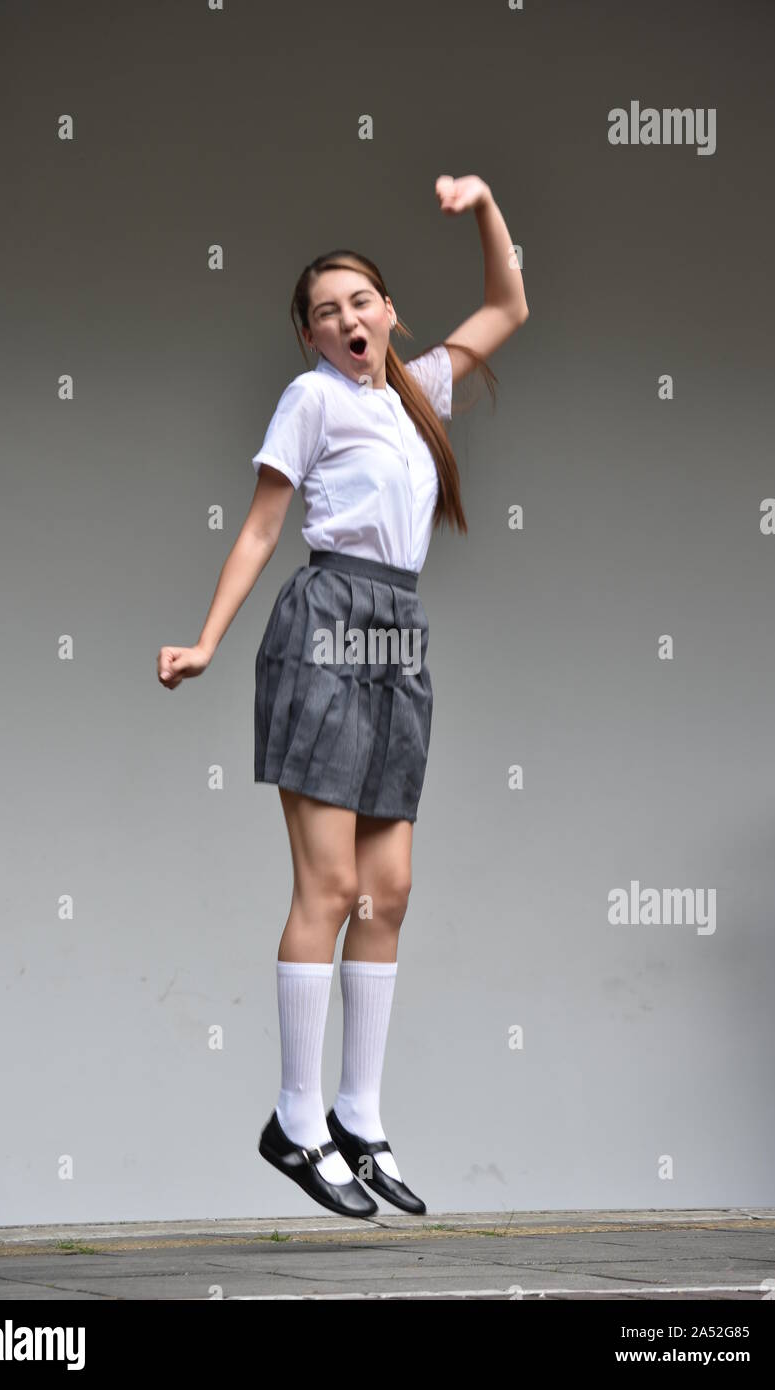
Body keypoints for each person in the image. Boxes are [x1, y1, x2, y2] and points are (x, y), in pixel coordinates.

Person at [157, 173, 529, 1220]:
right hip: (325, 624)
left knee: (387, 889)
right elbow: (262, 525)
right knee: (327, 885)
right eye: (325, 311)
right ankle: (295, 1116)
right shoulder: (311, 399)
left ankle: (358, 1115)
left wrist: (484, 203)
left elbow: (508, 304)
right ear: (310, 336)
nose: (346, 318)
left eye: (360, 299)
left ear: (389, 310)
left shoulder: (419, 390)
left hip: (399, 632)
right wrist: (206, 641)